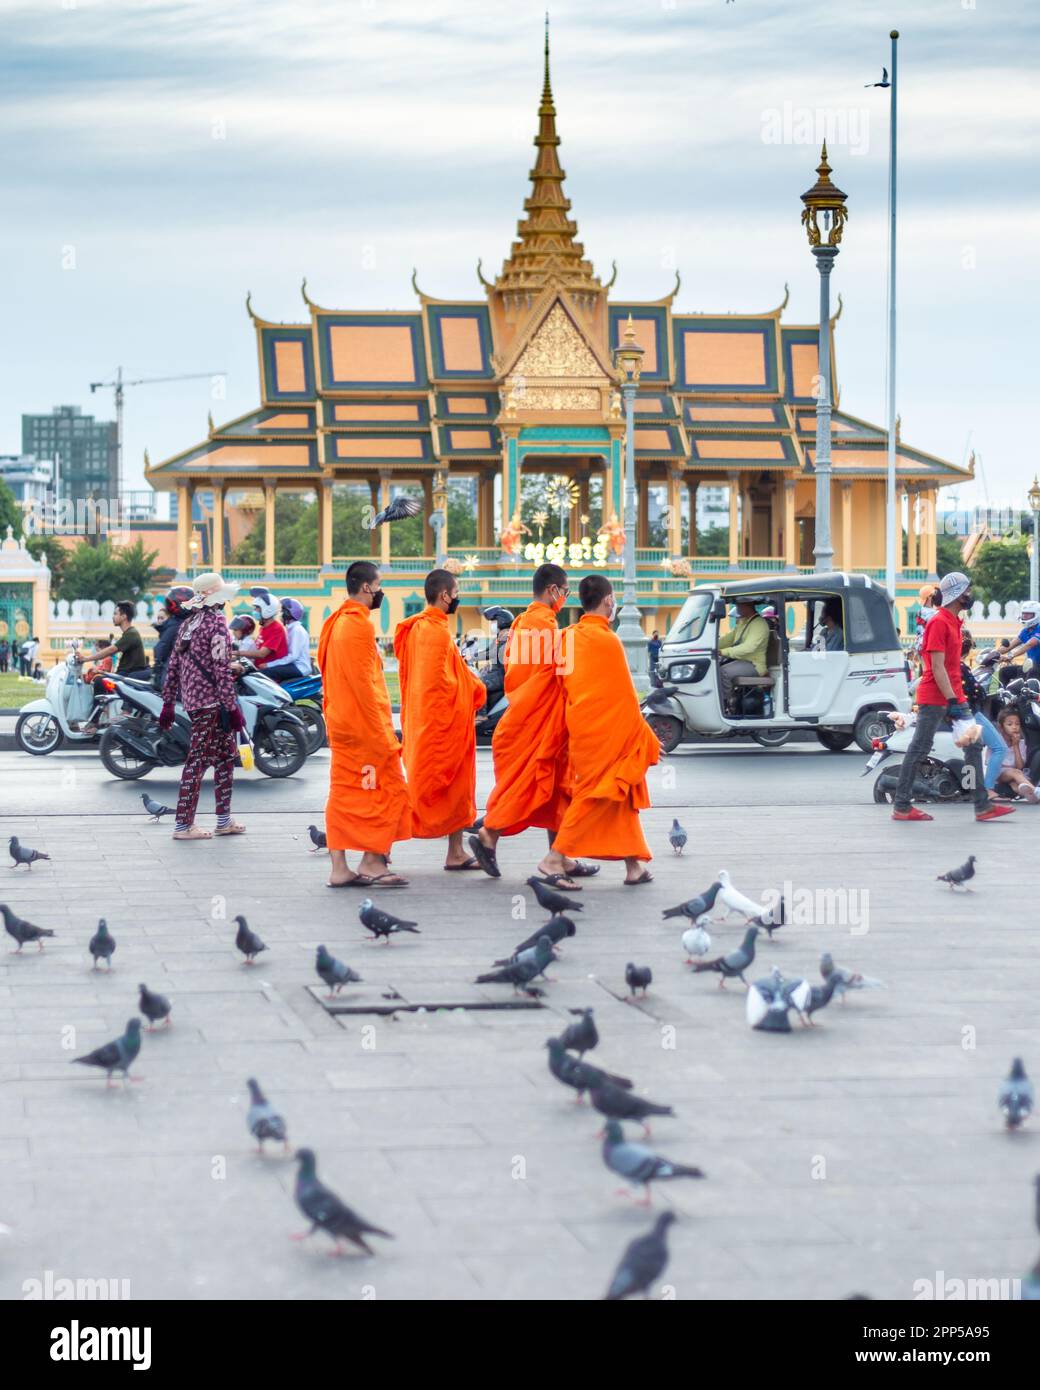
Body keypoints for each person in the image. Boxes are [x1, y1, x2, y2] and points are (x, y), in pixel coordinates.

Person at [471, 564, 596, 887]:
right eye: (565, 592)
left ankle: (561, 855)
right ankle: (488, 835)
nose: (566, 598)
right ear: (553, 591)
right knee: (529, 786)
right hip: (539, 724)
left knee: (557, 791)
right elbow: (561, 673)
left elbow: (521, 674)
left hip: (527, 717)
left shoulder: (524, 622)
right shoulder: (544, 626)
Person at [553, 575, 661, 885]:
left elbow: (563, 684)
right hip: (606, 734)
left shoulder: (567, 637)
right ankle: (554, 857)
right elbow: (626, 698)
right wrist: (645, 738)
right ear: (609, 601)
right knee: (597, 794)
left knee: (619, 794)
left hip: (582, 728)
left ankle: (634, 866)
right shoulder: (608, 640)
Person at [317, 561, 411, 888]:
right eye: (379, 584)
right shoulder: (357, 625)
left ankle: (340, 868)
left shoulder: (334, 622)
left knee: (344, 792)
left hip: (341, 723)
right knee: (386, 790)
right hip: (362, 729)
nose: (381, 591)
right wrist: (383, 735)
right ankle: (372, 860)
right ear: (367, 587)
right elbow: (364, 686)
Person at [891, 571, 1012, 823]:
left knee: (974, 746)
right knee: (920, 748)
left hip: (954, 694)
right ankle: (901, 806)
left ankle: (981, 804)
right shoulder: (939, 622)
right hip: (937, 697)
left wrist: (957, 699)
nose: (970, 595)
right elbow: (936, 668)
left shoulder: (955, 622)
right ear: (957, 594)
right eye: (966, 591)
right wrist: (953, 702)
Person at [394, 569, 487, 869]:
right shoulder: (433, 631)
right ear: (445, 595)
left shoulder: (419, 628)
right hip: (440, 726)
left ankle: (455, 852)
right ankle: (381, 845)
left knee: (441, 789)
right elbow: (443, 684)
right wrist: (474, 687)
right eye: (456, 591)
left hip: (424, 722)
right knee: (431, 791)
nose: (458, 597)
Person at [159, 572, 246, 841]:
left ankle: (223, 820)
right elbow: (220, 670)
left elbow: (173, 667)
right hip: (214, 704)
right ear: (217, 598)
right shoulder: (217, 624)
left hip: (194, 702)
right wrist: (233, 709)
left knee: (225, 757)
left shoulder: (188, 624)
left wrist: (168, 704)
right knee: (197, 762)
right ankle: (183, 825)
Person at [718, 600, 770, 713]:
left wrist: (723, 652)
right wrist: (711, 645)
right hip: (742, 661)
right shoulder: (744, 622)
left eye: (739, 605)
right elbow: (729, 639)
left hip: (754, 664)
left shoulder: (759, 624)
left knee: (723, 672)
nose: (737, 608)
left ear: (748, 606)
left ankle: (724, 706)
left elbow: (749, 647)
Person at [75, 602, 148, 677]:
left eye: (115, 614)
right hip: (125, 674)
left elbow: (111, 650)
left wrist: (86, 659)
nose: (113, 617)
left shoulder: (131, 634)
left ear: (124, 617)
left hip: (128, 676)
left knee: (98, 682)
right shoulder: (129, 633)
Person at [992, 709, 1040, 803]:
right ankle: (1035, 791)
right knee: (1015, 773)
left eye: (1017, 724)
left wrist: (1015, 745)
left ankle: (1032, 796)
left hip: (1016, 773)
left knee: (1016, 784)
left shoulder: (1021, 743)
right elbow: (991, 764)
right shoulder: (996, 742)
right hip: (998, 773)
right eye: (1010, 724)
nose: (1014, 727)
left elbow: (1020, 766)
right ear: (1001, 727)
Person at [259, 599, 312, 683]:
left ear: (288, 614)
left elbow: (293, 656)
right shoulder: (291, 629)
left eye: (282, 611)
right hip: (293, 665)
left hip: (299, 667)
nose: (280, 614)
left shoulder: (296, 630)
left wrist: (269, 665)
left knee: (265, 673)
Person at [152, 586, 194, 691]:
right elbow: (162, 647)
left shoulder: (178, 624)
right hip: (174, 677)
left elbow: (161, 648)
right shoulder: (181, 624)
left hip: (176, 675)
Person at [248, 588, 289, 669]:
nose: (254, 610)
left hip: (269, 675)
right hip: (258, 672)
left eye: (257, 607)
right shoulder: (263, 627)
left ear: (267, 609)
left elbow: (261, 654)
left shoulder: (276, 628)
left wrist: (237, 653)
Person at [1002, 601, 1040, 677]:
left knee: (1030, 670)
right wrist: (994, 654)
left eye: (1028, 614)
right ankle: (1003, 689)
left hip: (1036, 667)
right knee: (1004, 672)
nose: (1025, 616)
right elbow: (1009, 646)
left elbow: (1029, 644)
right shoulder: (1025, 631)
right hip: (1031, 666)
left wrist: (1011, 656)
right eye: (1024, 613)